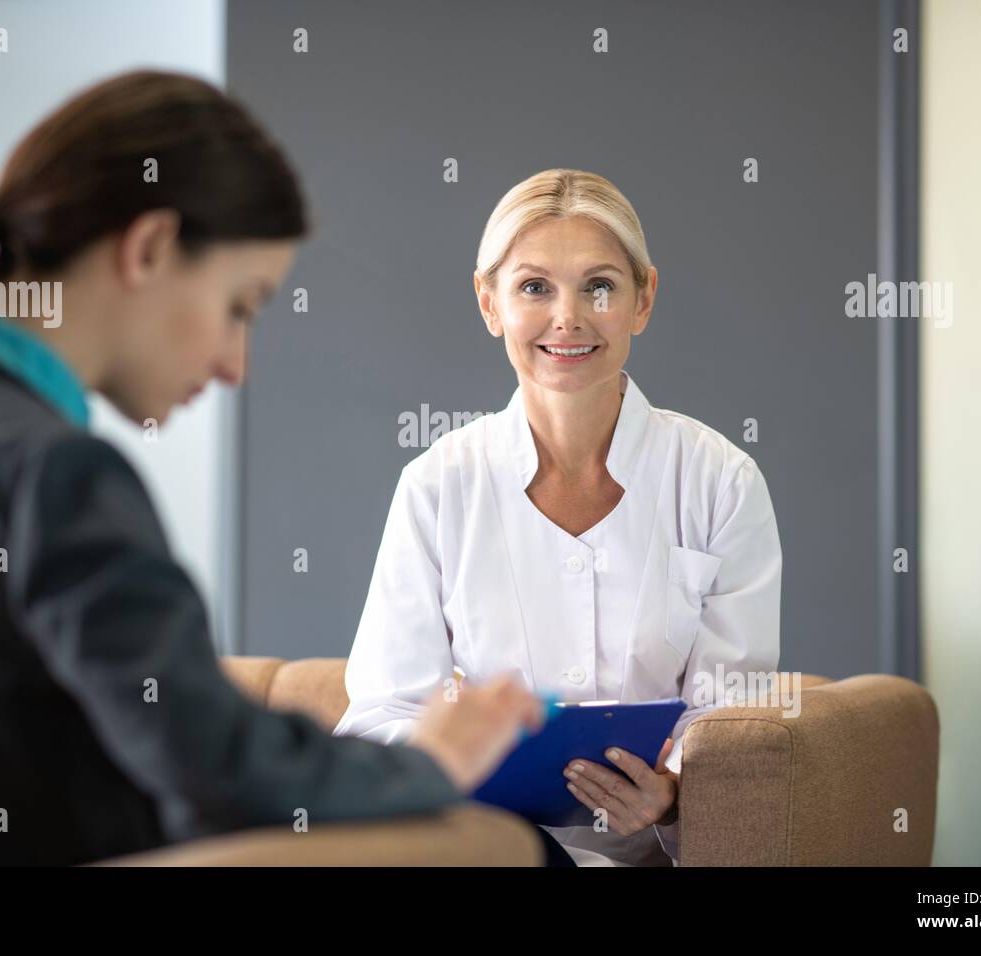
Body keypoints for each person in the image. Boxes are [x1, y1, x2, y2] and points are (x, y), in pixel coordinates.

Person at [0, 70, 543, 866]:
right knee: (484, 845)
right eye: (240, 306)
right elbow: (221, 770)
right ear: (151, 246)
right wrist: (429, 763)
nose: (236, 365)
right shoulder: (55, 472)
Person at [333, 169, 783, 866]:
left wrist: (670, 790)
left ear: (643, 299)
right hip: (489, 848)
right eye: (534, 287)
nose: (567, 318)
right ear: (490, 303)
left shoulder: (720, 481)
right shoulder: (437, 485)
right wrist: (458, 763)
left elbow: (728, 715)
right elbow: (379, 717)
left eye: (599, 286)